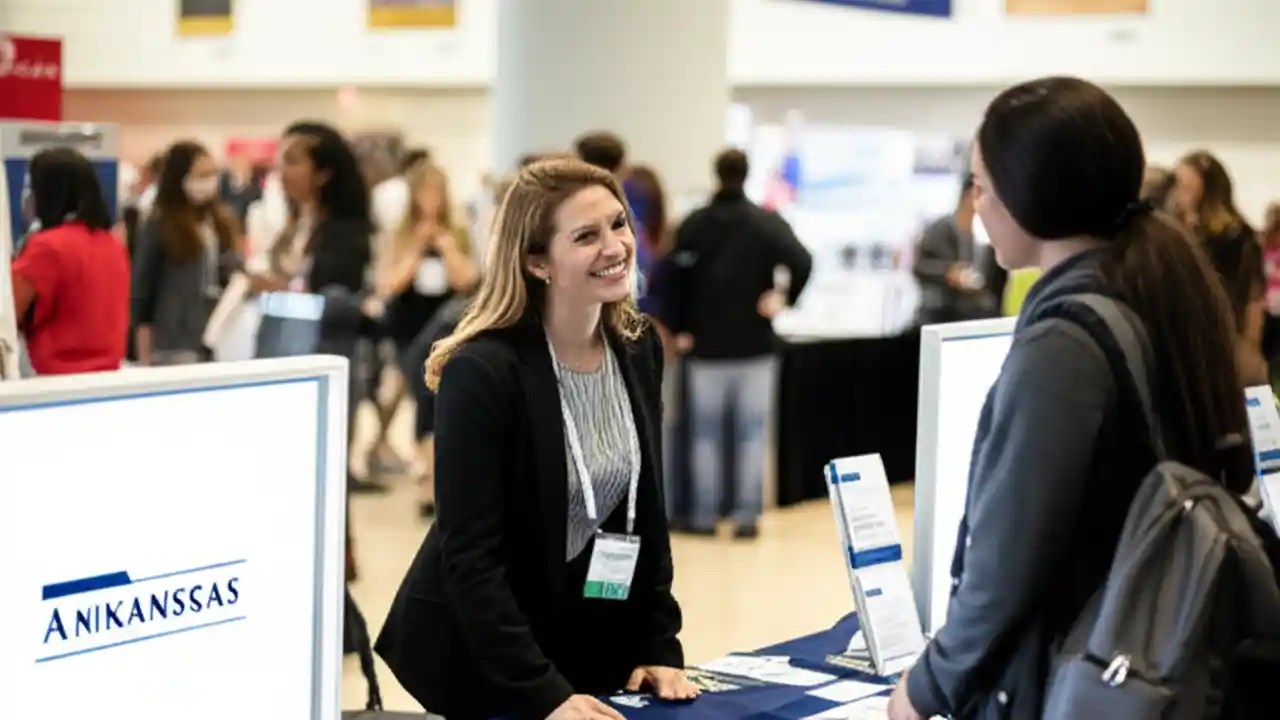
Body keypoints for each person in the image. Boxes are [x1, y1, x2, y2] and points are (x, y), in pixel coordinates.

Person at [888, 77, 1254, 720]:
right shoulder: (1148, 289)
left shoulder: (1065, 340)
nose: (976, 200)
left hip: (1071, 673)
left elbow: (1007, 559)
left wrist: (926, 689)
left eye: (982, 181)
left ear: (1028, 192)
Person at [376, 159, 697, 720]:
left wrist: (657, 645)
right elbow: (471, 559)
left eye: (618, 224)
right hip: (484, 655)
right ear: (537, 262)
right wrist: (540, 690)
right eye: (586, 236)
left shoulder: (636, 346)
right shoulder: (483, 371)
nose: (616, 246)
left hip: (579, 635)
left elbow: (647, 513)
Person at [663, 148, 813, 538]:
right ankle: (747, 516)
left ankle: (703, 515)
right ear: (747, 175)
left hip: (705, 347)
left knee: (704, 435)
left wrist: (680, 327)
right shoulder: (766, 223)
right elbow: (803, 259)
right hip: (755, 347)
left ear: (716, 173)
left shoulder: (694, 224)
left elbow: (673, 279)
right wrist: (784, 298)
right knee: (751, 434)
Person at [264, 121, 378, 493]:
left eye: (293, 161)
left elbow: (340, 300)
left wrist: (284, 287)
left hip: (325, 359)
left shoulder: (345, 233)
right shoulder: (292, 226)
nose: (282, 171)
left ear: (323, 173)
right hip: (282, 355)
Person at [375, 161, 479, 516]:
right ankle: (426, 480)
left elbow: (467, 281)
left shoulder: (459, 232)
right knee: (422, 399)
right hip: (409, 330)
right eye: (424, 192)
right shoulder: (401, 234)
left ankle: (438, 479)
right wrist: (417, 248)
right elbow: (389, 284)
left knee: (442, 403)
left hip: (447, 328)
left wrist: (446, 246)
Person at [9, 147, 129, 375]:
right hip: (108, 375)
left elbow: (7, 312)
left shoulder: (46, 247)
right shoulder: (113, 244)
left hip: (52, 377)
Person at [132, 140, 240, 366]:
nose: (209, 181)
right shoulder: (160, 223)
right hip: (171, 341)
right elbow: (143, 289)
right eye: (200, 174)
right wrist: (144, 353)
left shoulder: (220, 221)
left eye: (212, 173)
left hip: (215, 336)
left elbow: (229, 270)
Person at [1173, 150, 1267, 385]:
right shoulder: (1171, 235)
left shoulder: (1236, 238)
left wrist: (1250, 349)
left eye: (1184, 186)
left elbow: (1253, 299)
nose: (1177, 194)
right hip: (1180, 345)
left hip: (1224, 344)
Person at [913, 173, 998, 325]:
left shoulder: (975, 236)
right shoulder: (941, 228)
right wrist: (947, 273)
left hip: (964, 310)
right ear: (969, 194)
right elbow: (919, 266)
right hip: (939, 308)